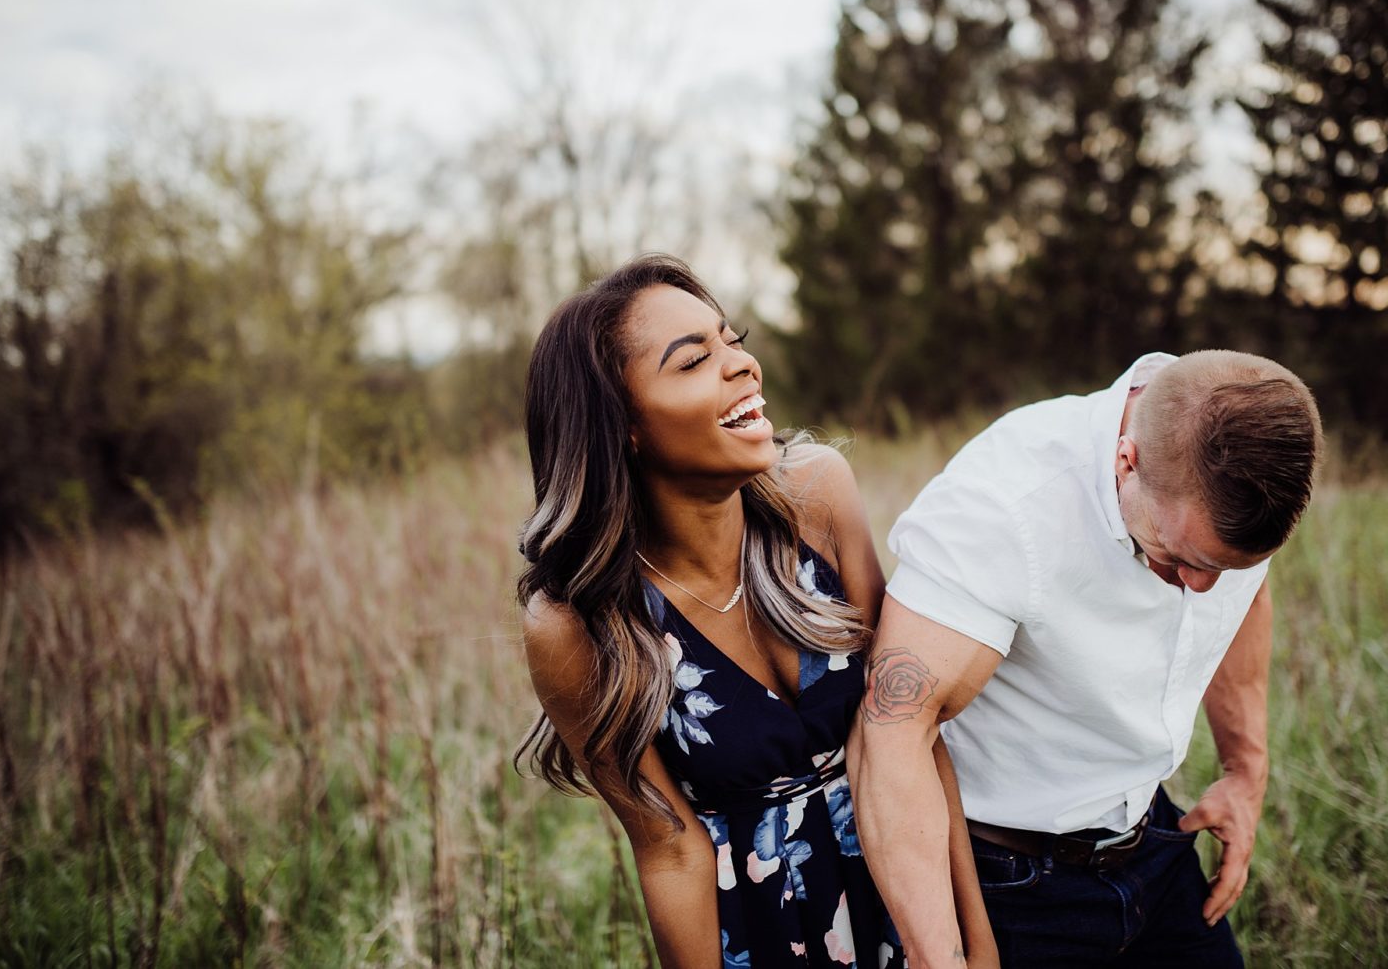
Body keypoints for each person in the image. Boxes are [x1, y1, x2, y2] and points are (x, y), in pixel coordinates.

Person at [515, 254, 996, 969]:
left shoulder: (818, 497)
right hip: (766, 935)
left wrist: (974, 950)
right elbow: (668, 847)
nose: (743, 365)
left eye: (731, 339)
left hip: (907, 887)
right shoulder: (578, 623)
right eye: (693, 360)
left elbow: (912, 736)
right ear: (624, 426)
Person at [852, 350, 1323, 967]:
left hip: (1154, 841)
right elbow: (890, 732)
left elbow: (1243, 595)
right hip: (1009, 883)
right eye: (1180, 558)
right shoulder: (1002, 506)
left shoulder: (1236, 458)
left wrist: (1245, 773)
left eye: (1223, 568)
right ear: (1126, 462)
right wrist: (938, 954)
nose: (1201, 587)